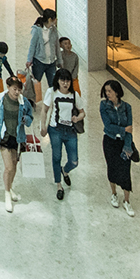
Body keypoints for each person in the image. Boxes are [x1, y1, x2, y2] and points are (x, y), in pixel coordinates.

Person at [0, 72, 35, 212]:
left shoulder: (24, 102)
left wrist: (26, 119)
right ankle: (7, 194)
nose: (17, 92)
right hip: (4, 136)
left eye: (19, 90)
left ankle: (9, 187)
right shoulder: (0, 100)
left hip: (18, 138)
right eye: (14, 89)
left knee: (14, 165)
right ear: (8, 87)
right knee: (9, 167)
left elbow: (30, 117)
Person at [99, 79, 137, 216]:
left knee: (126, 171)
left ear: (117, 92)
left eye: (110, 91)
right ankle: (114, 193)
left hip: (123, 142)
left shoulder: (127, 107)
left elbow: (130, 129)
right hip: (110, 141)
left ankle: (127, 200)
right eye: (106, 91)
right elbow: (108, 126)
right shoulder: (104, 105)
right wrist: (123, 129)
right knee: (112, 168)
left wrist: (128, 146)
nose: (107, 94)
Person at [45, 69, 84, 200]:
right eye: (62, 80)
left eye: (67, 81)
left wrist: (77, 118)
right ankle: (59, 185)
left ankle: (65, 170)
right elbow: (44, 110)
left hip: (70, 131)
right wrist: (43, 127)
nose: (65, 83)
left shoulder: (74, 95)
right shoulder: (51, 92)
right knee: (56, 157)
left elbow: (82, 112)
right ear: (57, 80)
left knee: (74, 161)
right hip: (55, 130)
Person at [26, 9, 59, 101]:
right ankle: (33, 101)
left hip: (51, 62)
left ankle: (54, 101)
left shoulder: (54, 30)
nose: (56, 20)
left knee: (53, 84)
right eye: (55, 18)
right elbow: (32, 46)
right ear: (50, 19)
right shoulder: (37, 30)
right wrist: (29, 60)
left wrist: (59, 60)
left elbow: (57, 45)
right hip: (39, 62)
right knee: (36, 83)